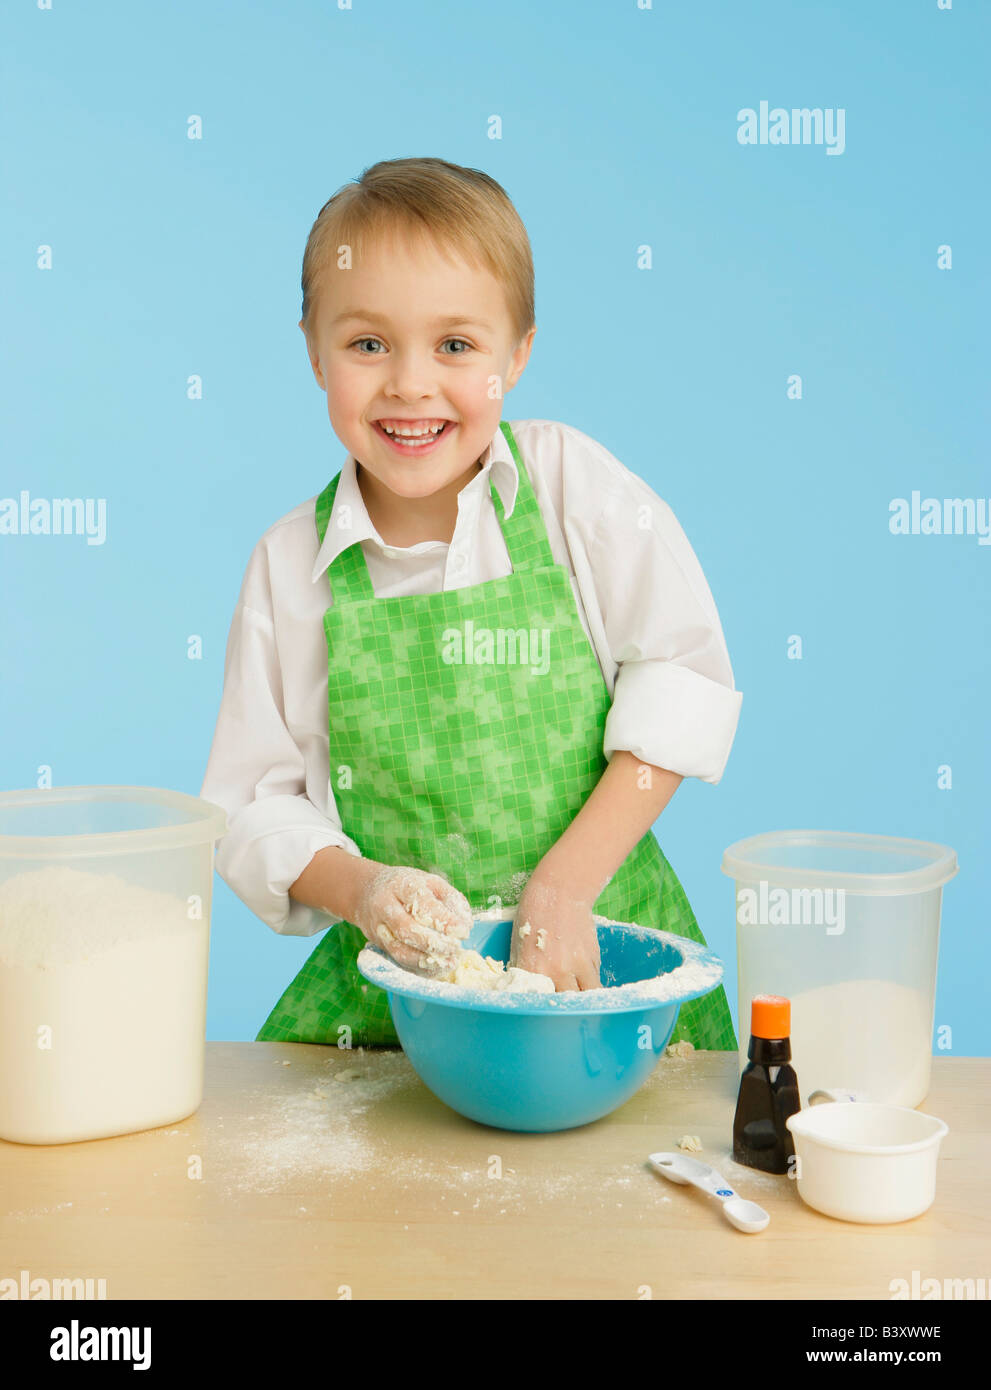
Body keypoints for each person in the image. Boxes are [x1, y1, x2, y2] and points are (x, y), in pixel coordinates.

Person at [200, 156, 742, 1050]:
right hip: (395, 1008)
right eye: (368, 344)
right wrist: (366, 891)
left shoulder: (570, 486)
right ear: (313, 350)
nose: (410, 384)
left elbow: (681, 686)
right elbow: (255, 807)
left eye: (455, 345)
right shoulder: (289, 563)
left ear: (516, 354)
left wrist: (561, 891)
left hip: (600, 966)